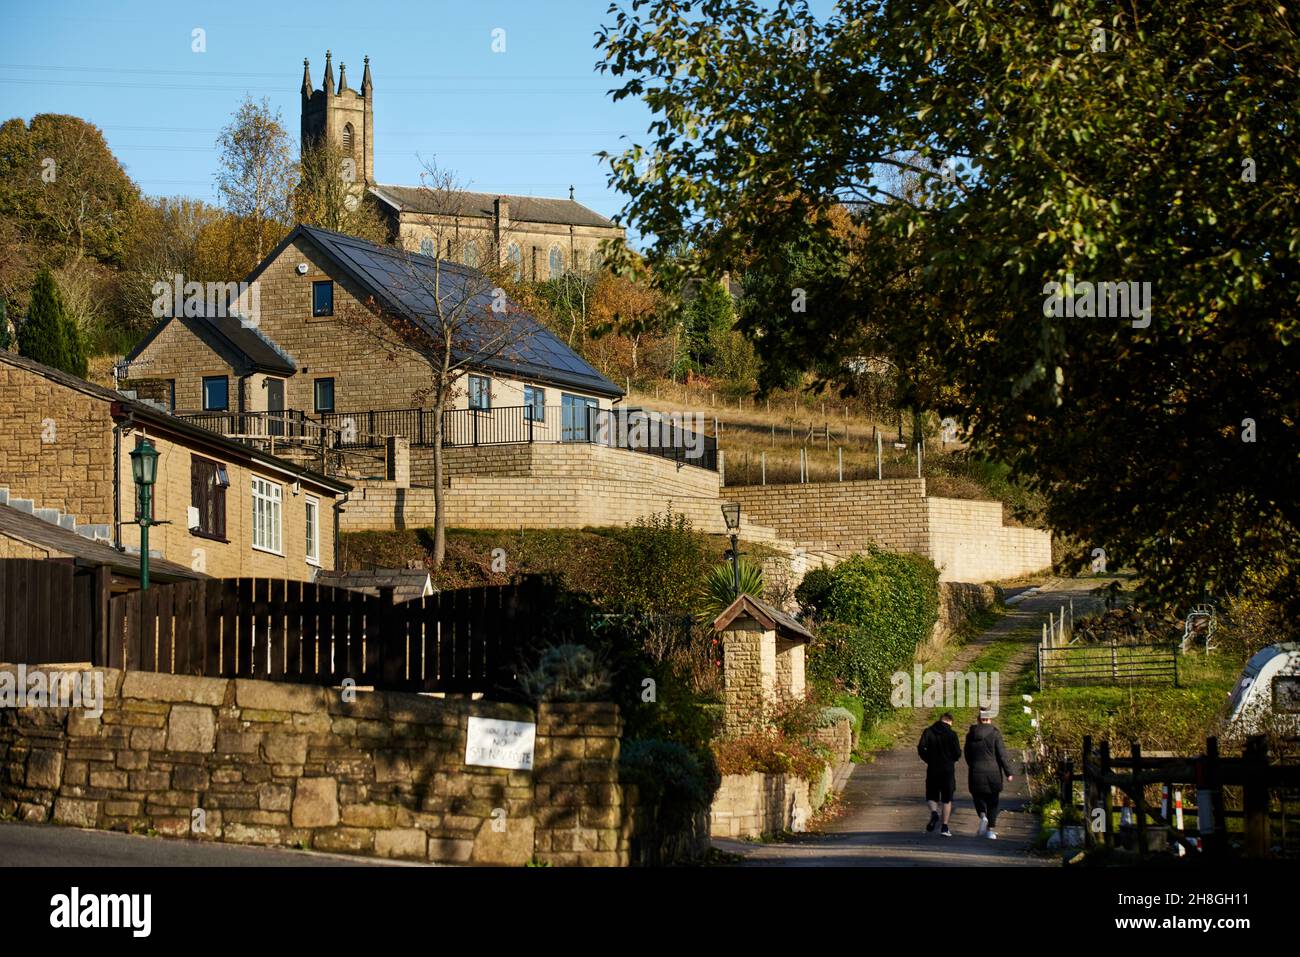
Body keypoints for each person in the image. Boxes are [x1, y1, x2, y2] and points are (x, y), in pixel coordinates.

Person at [964, 708, 1014, 839]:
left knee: (977, 796)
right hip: (993, 772)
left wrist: (973, 765)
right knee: (993, 801)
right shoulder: (995, 734)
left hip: (976, 771)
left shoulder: (970, 735)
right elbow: (1002, 755)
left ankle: (982, 815)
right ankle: (990, 830)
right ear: (989, 720)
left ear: (978, 720)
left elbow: (967, 754)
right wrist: (1008, 772)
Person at [917, 711, 961, 836]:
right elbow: (957, 753)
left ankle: (934, 812)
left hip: (933, 768)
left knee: (931, 795)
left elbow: (921, 747)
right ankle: (945, 827)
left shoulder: (928, 731)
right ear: (950, 722)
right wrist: (952, 759)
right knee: (947, 799)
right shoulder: (952, 734)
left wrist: (928, 759)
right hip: (948, 770)